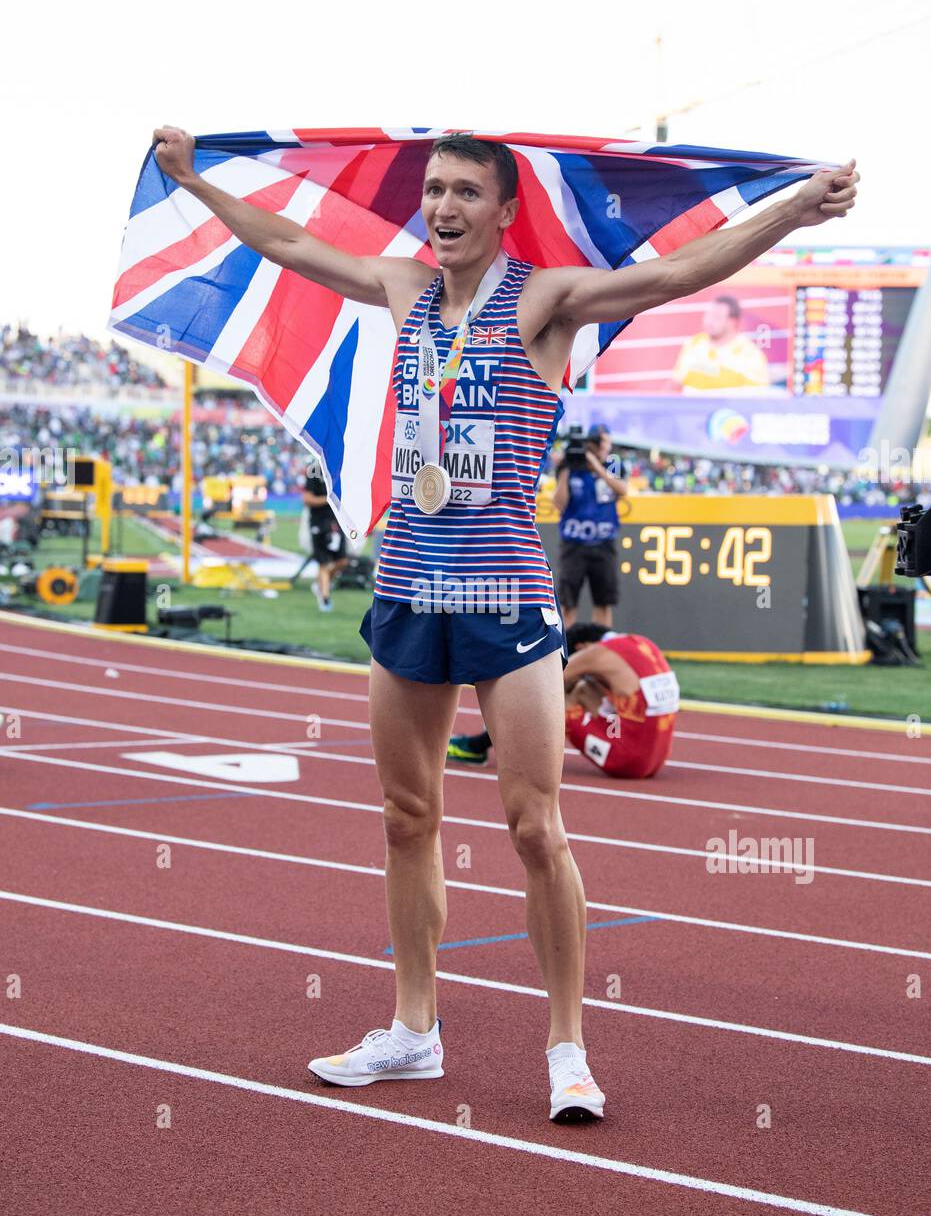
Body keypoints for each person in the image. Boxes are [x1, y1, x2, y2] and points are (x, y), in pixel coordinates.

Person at [153, 125, 858, 1124]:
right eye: (433, 190)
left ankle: (567, 1046)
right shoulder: (402, 287)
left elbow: (682, 271)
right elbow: (296, 248)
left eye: (463, 193)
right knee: (407, 818)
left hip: (507, 598)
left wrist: (791, 208)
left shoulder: (545, 299)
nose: (441, 207)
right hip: (405, 589)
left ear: (501, 209)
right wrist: (195, 181)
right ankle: (413, 1030)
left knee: (535, 826)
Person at [449, 623, 677, 778]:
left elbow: (541, 686)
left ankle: (478, 747)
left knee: (553, 698)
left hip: (630, 762)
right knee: (584, 689)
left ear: (580, 647)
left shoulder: (595, 653)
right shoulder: (640, 643)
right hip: (656, 760)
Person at [551, 426, 627, 630]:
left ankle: (600, 649)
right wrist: (566, 471)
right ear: (592, 443)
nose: (607, 447)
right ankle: (566, 654)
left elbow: (622, 490)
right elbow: (559, 503)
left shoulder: (613, 462)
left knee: (603, 602)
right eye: (603, 442)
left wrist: (597, 467)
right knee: (568, 603)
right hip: (574, 545)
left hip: (603, 542)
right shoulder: (571, 464)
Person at [672, 293, 772, 394]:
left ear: (732, 322)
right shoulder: (694, 344)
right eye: (708, 315)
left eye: (716, 317)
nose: (709, 321)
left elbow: (758, 397)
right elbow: (676, 383)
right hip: (691, 407)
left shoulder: (751, 354)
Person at [301, 459, 348, 611]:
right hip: (319, 522)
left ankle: (321, 583)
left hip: (335, 522)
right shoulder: (314, 470)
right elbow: (307, 498)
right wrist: (328, 499)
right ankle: (325, 598)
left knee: (342, 561)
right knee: (323, 562)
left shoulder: (339, 468)